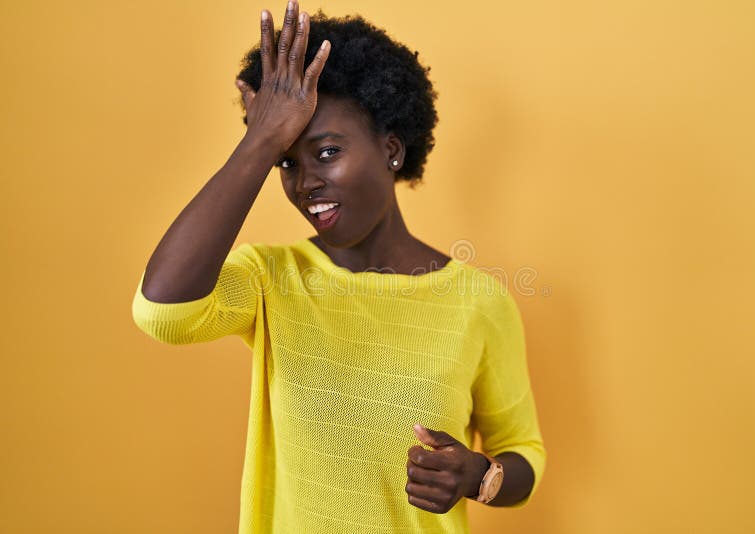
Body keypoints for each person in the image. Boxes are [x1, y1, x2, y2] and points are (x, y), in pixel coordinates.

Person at [131, 2, 546, 532]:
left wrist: (478, 475)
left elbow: (523, 452)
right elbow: (163, 310)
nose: (305, 182)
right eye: (288, 160)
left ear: (392, 149)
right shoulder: (271, 279)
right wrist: (259, 142)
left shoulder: (480, 302)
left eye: (326, 152)